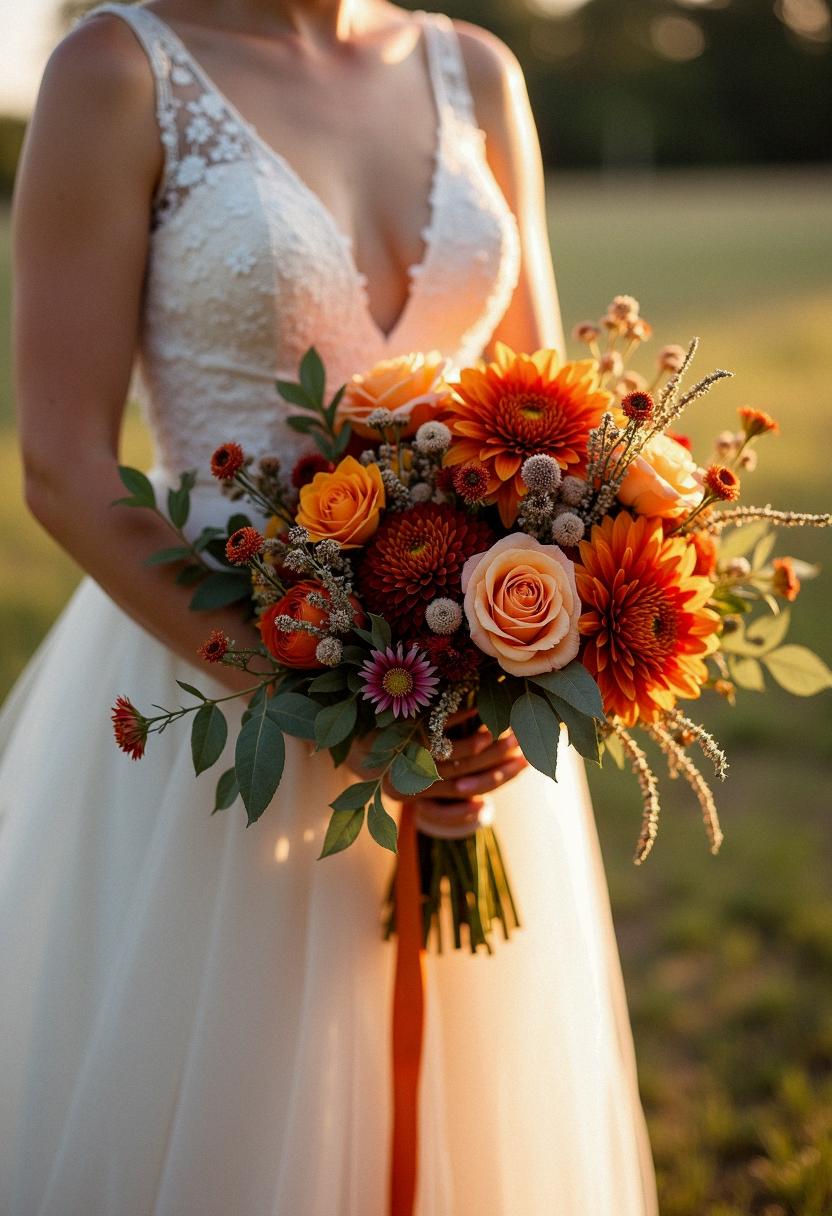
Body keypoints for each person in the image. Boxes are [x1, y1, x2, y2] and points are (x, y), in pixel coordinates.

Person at [0, 1, 659, 1211]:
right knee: (237, 1095)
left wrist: (526, 650)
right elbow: (61, 466)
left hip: (464, 670)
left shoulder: (476, 70)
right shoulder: (116, 70)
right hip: (212, 661)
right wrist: (321, 702)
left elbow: (546, 405)